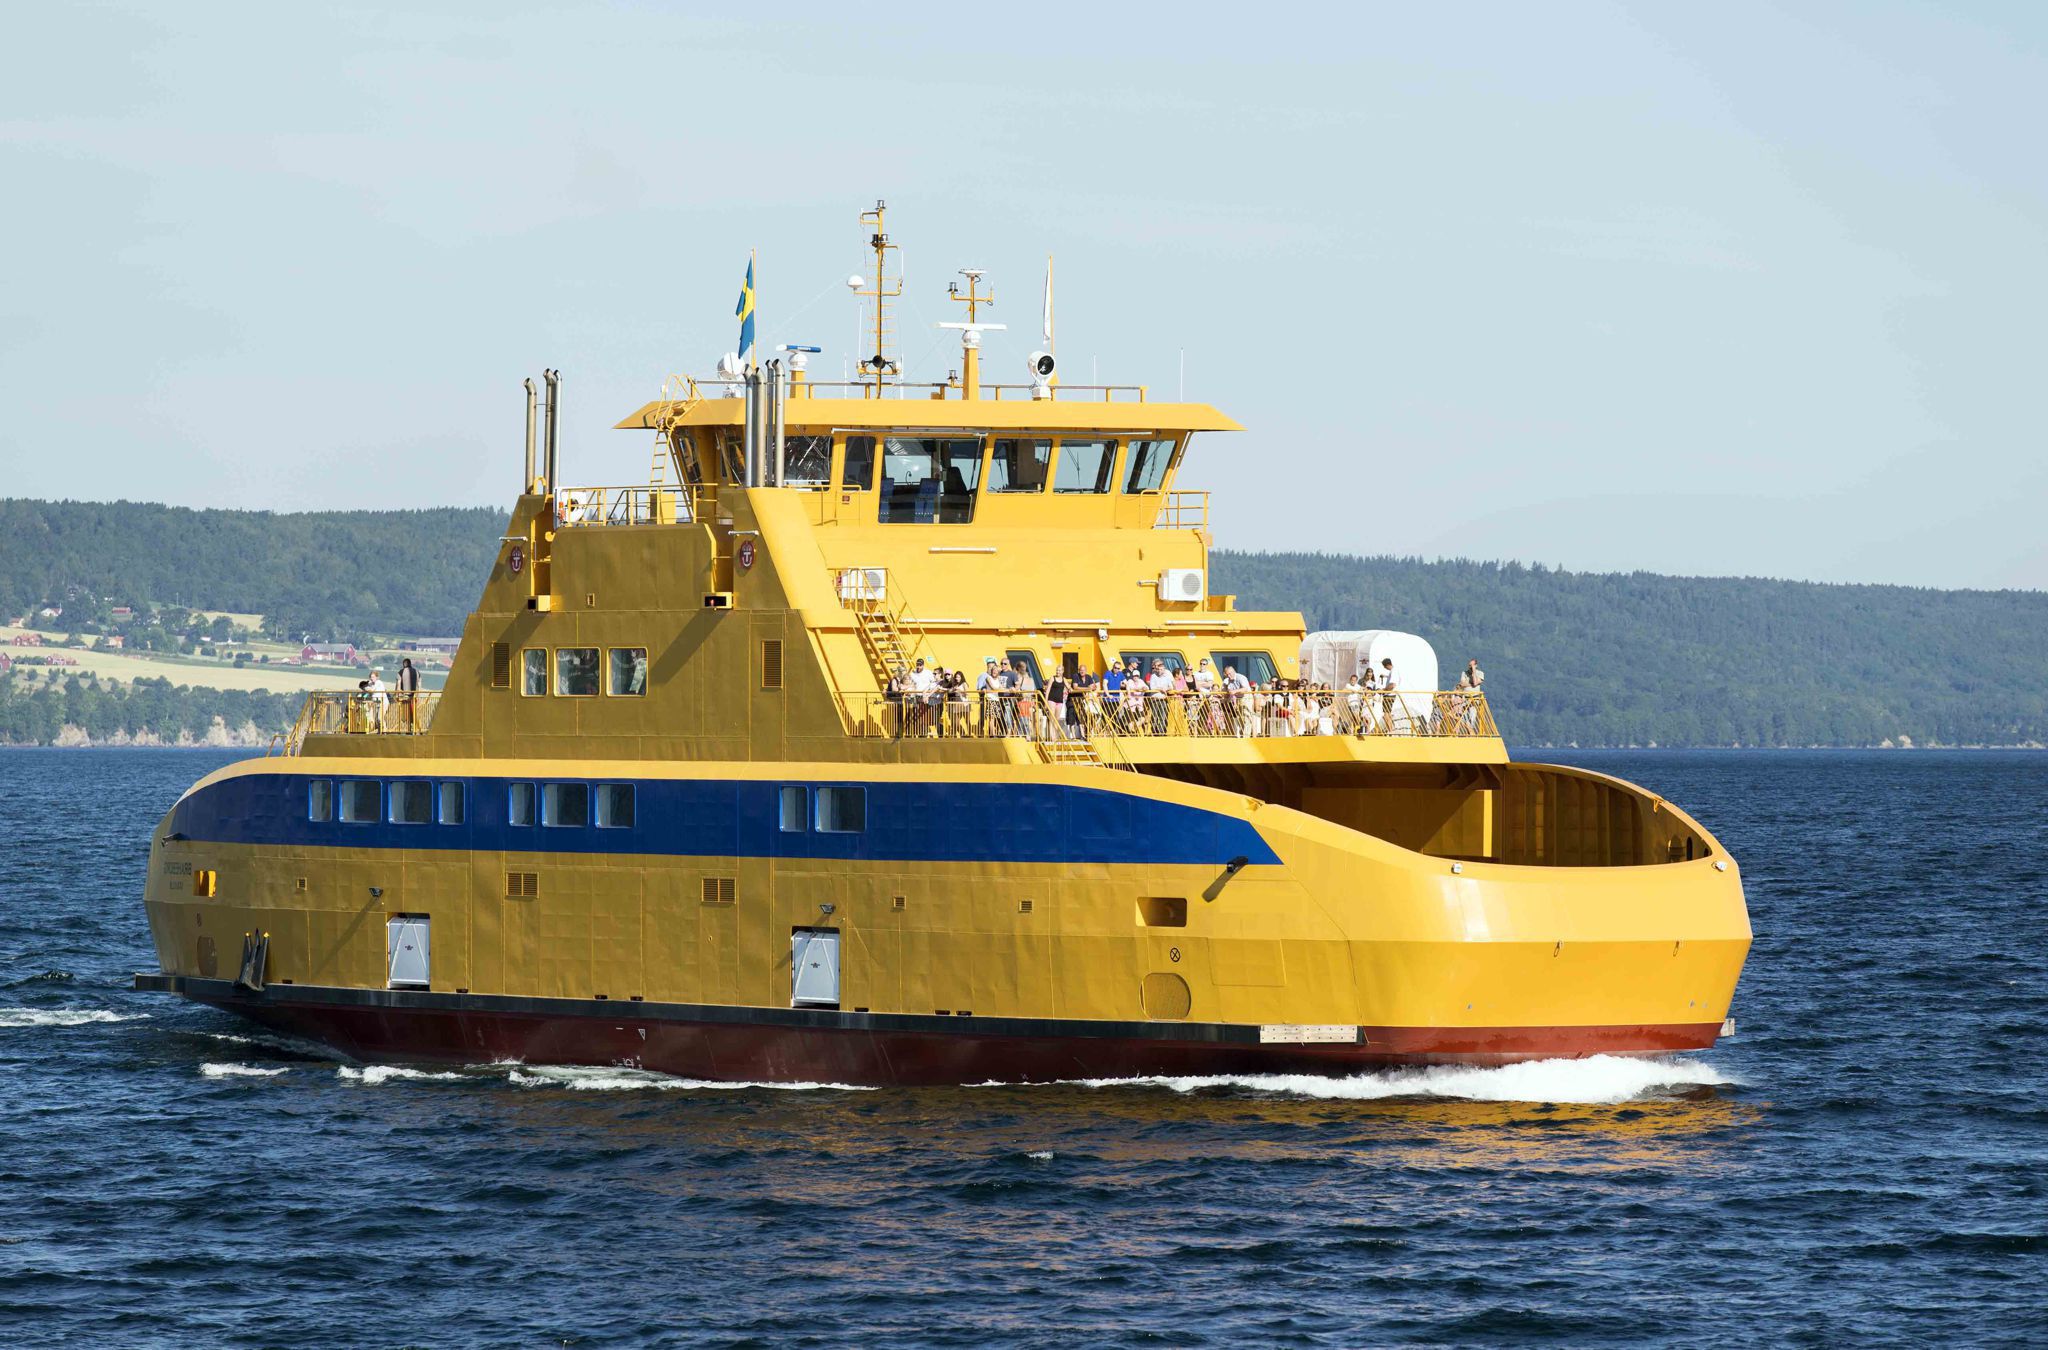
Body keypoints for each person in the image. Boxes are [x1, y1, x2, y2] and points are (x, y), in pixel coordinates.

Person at [1146, 659, 1173, 735]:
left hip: (1163, 699)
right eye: (1158, 669)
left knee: (1163, 716)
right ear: (1157, 669)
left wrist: (1166, 689)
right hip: (1155, 699)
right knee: (1154, 716)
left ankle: (1161, 732)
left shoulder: (1167, 677)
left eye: (1161, 669)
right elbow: (1152, 687)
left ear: (1164, 670)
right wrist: (1161, 689)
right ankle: (1154, 731)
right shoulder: (1153, 676)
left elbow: (1171, 687)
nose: (1160, 671)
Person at [977, 657, 1004, 736]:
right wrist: (1002, 689)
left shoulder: (998, 679)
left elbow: (1001, 688)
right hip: (990, 699)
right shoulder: (987, 678)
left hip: (996, 700)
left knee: (996, 717)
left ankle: (993, 732)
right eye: (992, 669)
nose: (994, 671)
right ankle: (992, 733)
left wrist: (1007, 689)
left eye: (995, 670)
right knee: (991, 717)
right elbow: (994, 688)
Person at [395, 657, 420, 731]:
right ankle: (413, 728)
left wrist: (397, 695)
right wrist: (417, 695)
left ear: (404, 664)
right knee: (413, 713)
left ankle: (408, 728)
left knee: (404, 714)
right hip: (414, 696)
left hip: (404, 697)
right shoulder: (417, 672)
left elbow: (398, 685)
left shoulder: (401, 672)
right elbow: (419, 684)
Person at [363, 668, 389, 733]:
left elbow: (372, 690)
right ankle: (381, 731)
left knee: (380, 718)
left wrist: (366, 688)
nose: (372, 678)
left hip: (383, 702)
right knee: (377, 719)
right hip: (378, 703)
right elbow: (368, 691)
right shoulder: (372, 683)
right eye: (371, 677)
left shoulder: (378, 682)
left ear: (377, 677)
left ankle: (384, 731)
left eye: (373, 677)